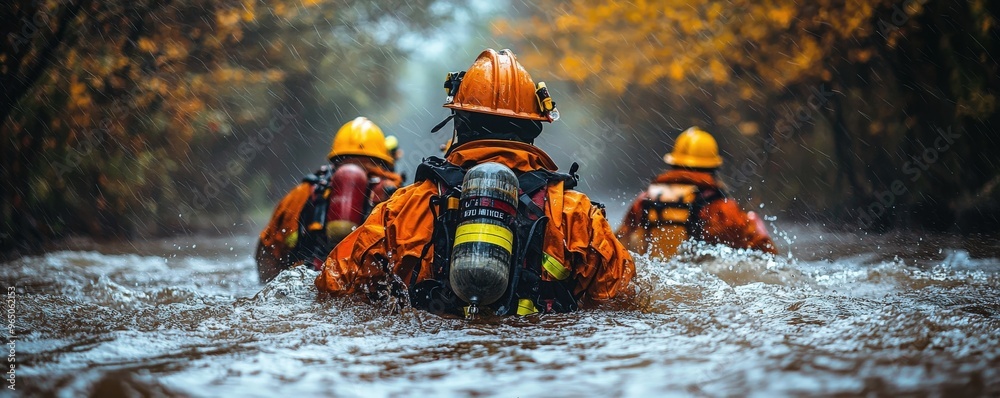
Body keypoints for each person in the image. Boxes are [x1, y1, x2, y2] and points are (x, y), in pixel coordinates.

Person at [316, 49, 634, 317]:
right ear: (534, 129)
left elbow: (334, 285)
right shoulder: (575, 214)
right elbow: (622, 298)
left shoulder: (403, 208)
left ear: (459, 124)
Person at [255, 117, 403, 283]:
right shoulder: (396, 195)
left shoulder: (301, 193)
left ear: (335, 158)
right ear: (384, 160)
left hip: (307, 284)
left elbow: (267, 250)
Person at [617, 127, 778, 258]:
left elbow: (619, 245)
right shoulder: (721, 207)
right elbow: (763, 250)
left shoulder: (644, 200)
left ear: (673, 164)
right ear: (713, 168)